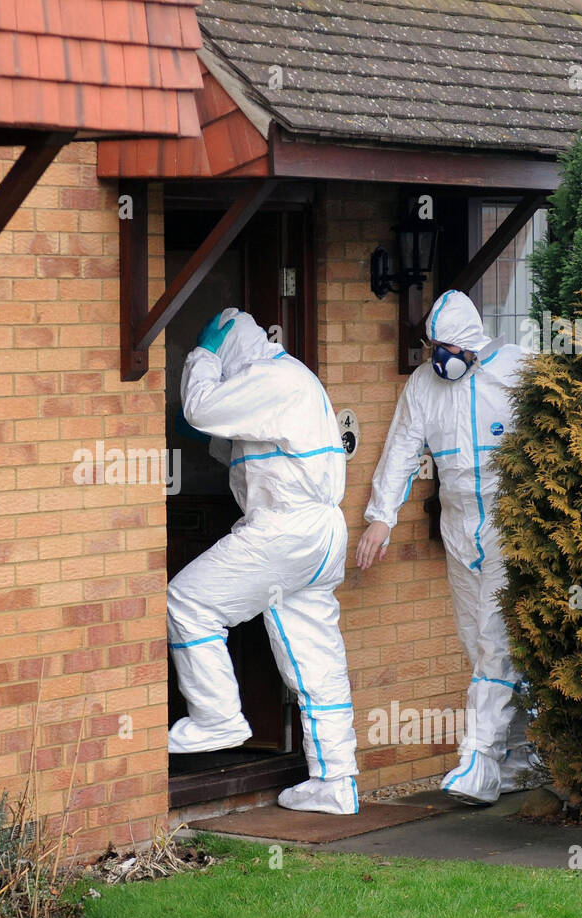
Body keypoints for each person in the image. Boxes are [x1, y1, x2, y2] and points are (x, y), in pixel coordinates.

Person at [167, 308, 358, 816]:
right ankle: (336, 782)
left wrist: (200, 357)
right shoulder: (293, 379)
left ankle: (216, 717)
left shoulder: (269, 378)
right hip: (318, 535)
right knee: (317, 662)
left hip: (284, 530)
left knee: (188, 602)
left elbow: (201, 408)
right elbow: (233, 448)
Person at [356, 289, 538, 805]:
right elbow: (400, 450)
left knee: (494, 641)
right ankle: (517, 762)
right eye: (431, 346)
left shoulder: (516, 373)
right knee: (475, 641)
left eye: (447, 348)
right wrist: (380, 519)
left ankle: (478, 763)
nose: (439, 358)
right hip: (459, 526)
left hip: (509, 524)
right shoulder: (423, 386)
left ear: (473, 346)